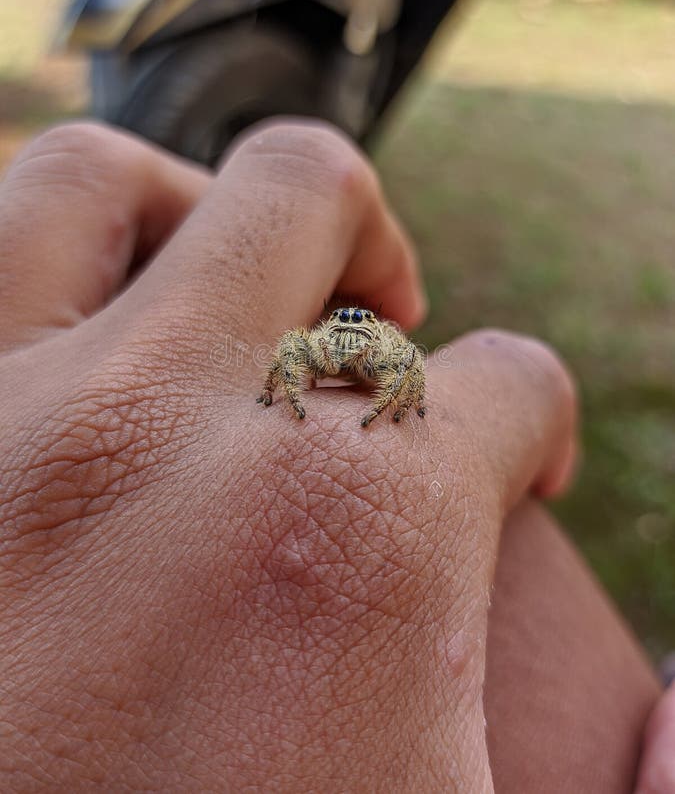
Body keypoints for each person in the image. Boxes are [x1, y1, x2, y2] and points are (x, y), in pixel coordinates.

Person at [0, 119, 668, 792]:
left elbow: (406, 367)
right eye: (342, 328)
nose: (350, 333)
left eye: (360, 329)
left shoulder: (387, 351)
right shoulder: (317, 344)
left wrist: (387, 414)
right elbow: (292, 357)